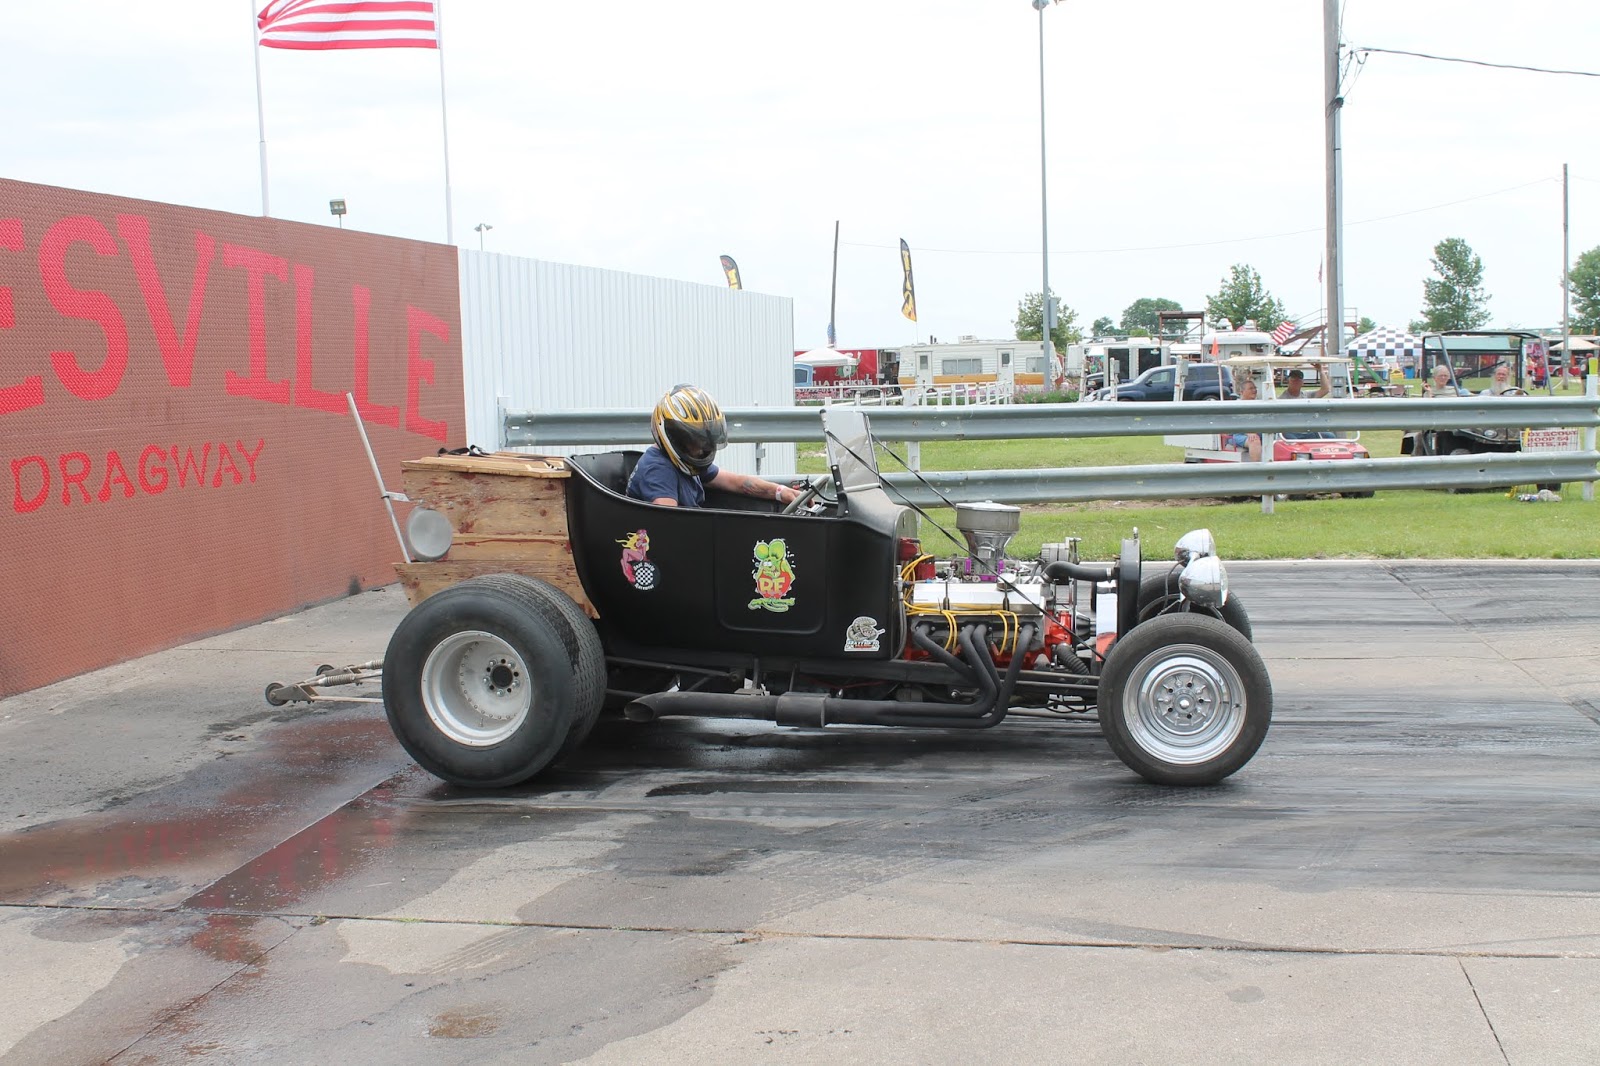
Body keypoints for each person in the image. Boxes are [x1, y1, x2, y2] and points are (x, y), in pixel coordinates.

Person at [626, 384, 801, 508]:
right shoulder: (658, 469)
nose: (702, 449)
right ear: (674, 436)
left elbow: (738, 483)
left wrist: (779, 491)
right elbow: (670, 524)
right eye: (694, 440)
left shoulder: (688, 463)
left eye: (704, 440)